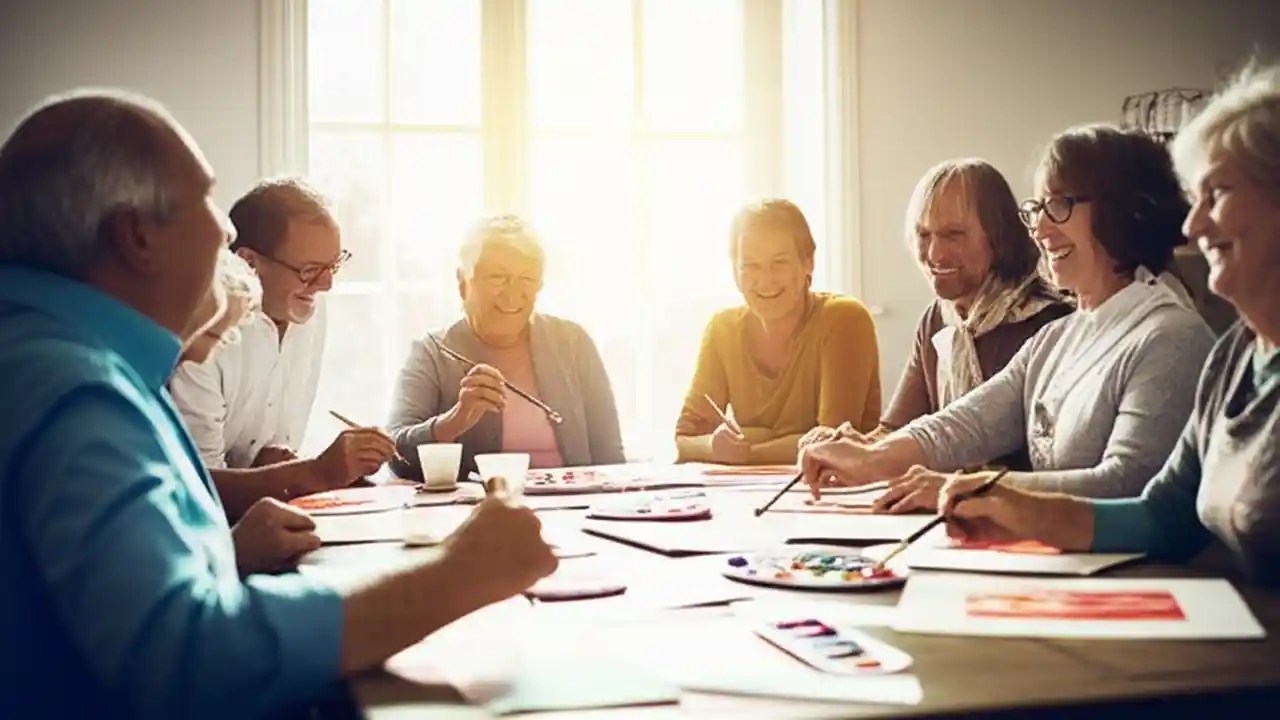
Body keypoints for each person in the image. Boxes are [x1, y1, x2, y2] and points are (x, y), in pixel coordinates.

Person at [0, 90, 556, 719]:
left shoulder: (43, 355)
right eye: (207, 201)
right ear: (136, 235)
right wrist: (457, 575)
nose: (227, 232)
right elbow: (190, 660)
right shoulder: (78, 393)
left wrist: (222, 551)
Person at [937, 64, 1280, 586]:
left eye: (1218, 195)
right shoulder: (1234, 355)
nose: (1194, 225)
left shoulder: (1175, 336)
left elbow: (1126, 484)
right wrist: (1016, 510)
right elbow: (1163, 514)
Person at [801, 125, 1216, 511]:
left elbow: (1128, 485)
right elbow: (965, 425)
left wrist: (973, 489)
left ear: (1121, 210)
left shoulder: (1171, 337)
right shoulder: (1059, 337)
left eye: (1057, 205)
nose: (1038, 227)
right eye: (1037, 208)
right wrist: (871, 457)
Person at [801, 159, 1073, 472]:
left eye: (953, 235)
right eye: (923, 235)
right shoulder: (937, 319)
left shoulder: (1047, 321)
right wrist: (846, 445)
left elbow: (1045, 465)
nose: (934, 255)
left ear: (998, 237)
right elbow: (894, 431)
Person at [170, 178, 396, 520]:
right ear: (249, 262)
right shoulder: (204, 334)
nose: (326, 284)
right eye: (309, 270)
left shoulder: (311, 313)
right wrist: (315, 472)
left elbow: (273, 458)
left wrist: (296, 466)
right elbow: (197, 490)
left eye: (333, 266)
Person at [388, 214, 625, 479]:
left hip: (572, 510)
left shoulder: (573, 343)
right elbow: (395, 454)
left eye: (527, 278)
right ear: (463, 282)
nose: (513, 294)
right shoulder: (432, 352)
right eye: (498, 277)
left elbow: (611, 458)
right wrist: (454, 421)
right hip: (479, 514)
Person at [675, 198, 881, 465]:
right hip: (746, 494)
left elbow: (832, 444)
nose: (765, 280)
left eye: (780, 262)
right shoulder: (722, 328)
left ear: (808, 263)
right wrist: (714, 446)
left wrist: (747, 449)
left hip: (834, 492)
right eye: (751, 265)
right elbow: (684, 439)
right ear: (734, 269)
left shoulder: (844, 318)